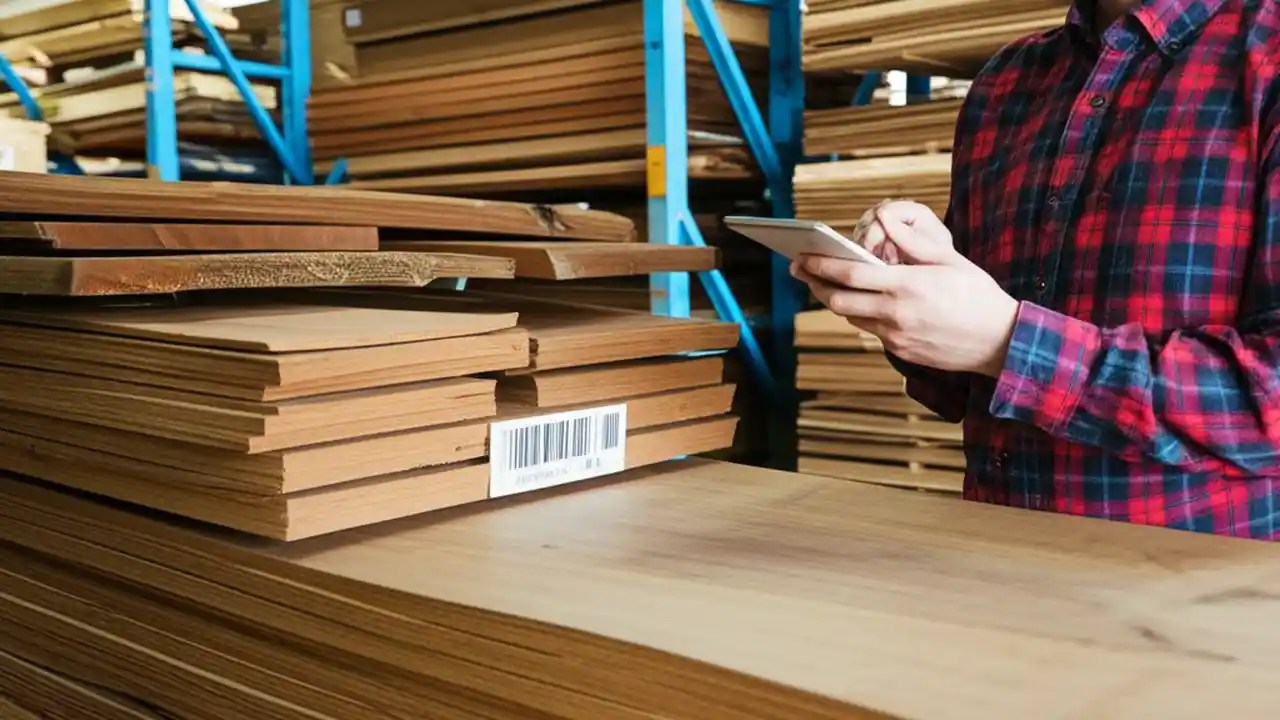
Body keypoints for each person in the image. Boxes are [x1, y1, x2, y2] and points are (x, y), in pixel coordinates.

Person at [791, 0, 1280, 539]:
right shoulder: (1007, 82)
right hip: (992, 561)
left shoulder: (1266, 57)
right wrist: (907, 289)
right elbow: (962, 388)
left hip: (1194, 591)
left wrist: (1008, 343)